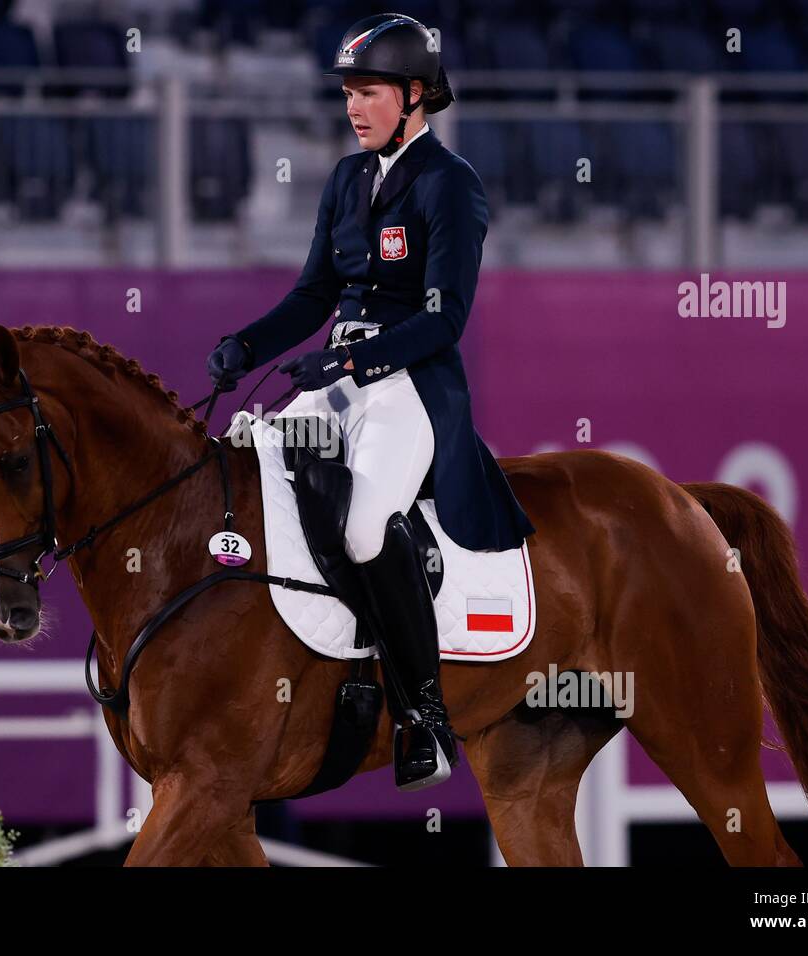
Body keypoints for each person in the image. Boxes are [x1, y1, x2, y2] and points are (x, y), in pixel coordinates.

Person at [207, 13, 536, 791]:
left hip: (411, 387)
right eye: (349, 93)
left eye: (369, 92)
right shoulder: (347, 179)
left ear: (415, 95)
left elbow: (444, 319)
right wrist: (247, 346)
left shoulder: (450, 184)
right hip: (339, 377)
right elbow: (314, 293)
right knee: (251, 474)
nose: (353, 108)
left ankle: (425, 714)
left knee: (361, 526)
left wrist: (351, 357)